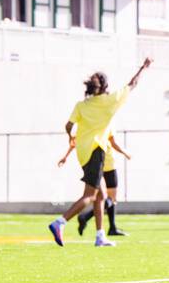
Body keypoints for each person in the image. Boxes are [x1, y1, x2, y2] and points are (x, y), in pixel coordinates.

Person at [48, 59, 151, 246]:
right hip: (96, 150)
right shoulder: (109, 101)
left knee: (102, 195)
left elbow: (68, 125)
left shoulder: (82, 105)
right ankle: (59, 222)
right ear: (104, 86)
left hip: (82, 152)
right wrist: (143, 68)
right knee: (89, 195)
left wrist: (70, 136)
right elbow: (132, 84)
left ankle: (100, 236)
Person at [59, 131, 130, 237]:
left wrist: (65, 156)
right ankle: (86, 217)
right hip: (109, 165)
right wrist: (125, 153)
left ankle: (112, 227)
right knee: (111, 198)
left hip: (96, 164)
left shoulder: (89, 126)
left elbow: (75, 142)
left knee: (102, 197)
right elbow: (113, 143)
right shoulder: (105, 124)